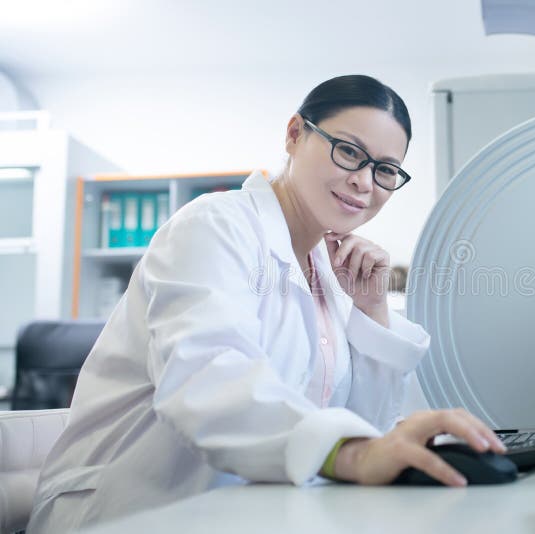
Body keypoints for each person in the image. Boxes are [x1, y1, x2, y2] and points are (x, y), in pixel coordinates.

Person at [27, 75, 506, 532]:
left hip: (252, 511)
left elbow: (363, 426)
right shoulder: (214, 227)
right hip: (130, 511)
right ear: (295, 134)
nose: (365, 182)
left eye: (384, 169)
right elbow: (209, 380)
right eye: (348, 152)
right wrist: (354, 453)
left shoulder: (329, 268)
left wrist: (370, 312)